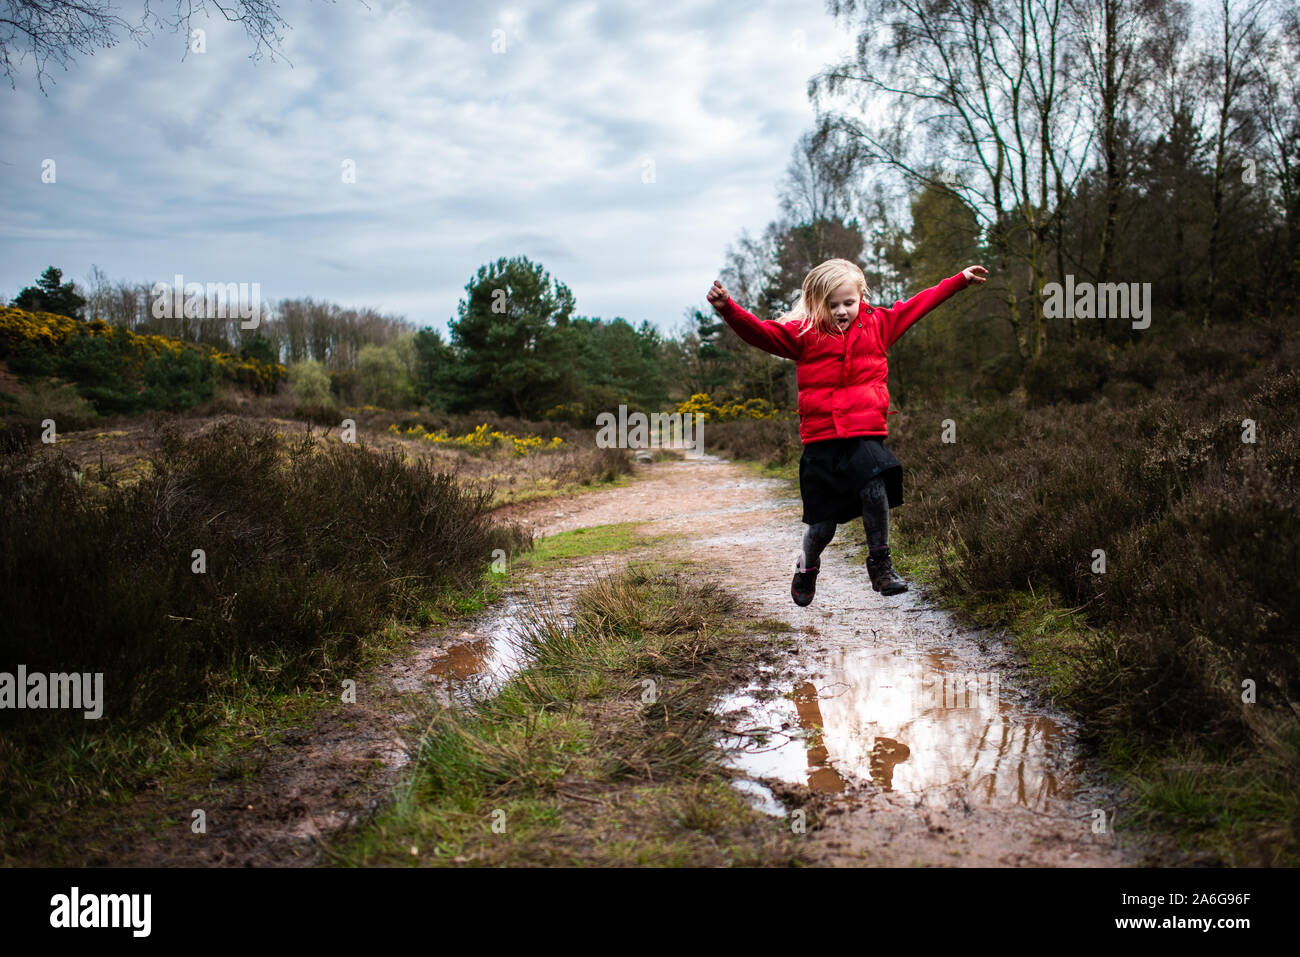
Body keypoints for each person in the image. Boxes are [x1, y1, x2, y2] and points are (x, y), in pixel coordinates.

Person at [706, 258, 987, 604]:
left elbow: (920, 304)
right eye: (832, 305)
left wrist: (959, 279)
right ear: (816, 304)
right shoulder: (803, 335)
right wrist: (727, 308)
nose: (841, 311)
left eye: (848, 303)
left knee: (875, 482)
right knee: (822, 527)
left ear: (861, 297)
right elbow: (760, 334)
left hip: (863, 434)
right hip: (821, 441)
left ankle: (881, 565)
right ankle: (807, 566)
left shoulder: (881, 324)